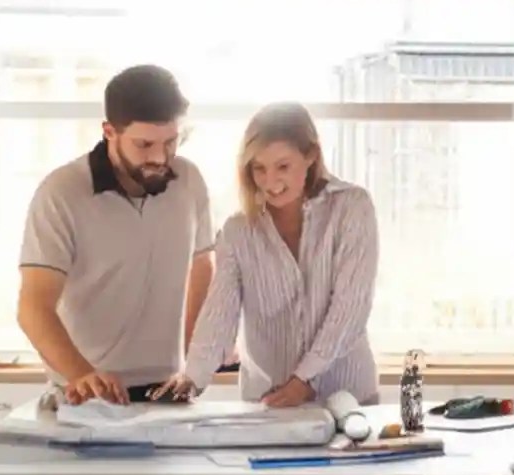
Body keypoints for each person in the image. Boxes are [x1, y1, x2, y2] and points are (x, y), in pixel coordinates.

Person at [153, 102, 380, 407]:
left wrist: (304, 379)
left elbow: (350, 308)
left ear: (311, 156)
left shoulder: (352, 207)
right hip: (268, 403)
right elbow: (219, 314)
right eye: (259, 168)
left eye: (283, 166)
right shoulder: (238, 231)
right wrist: (191, 379)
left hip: (347, 398)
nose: (270, 182)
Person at [16, 65, 215, 405]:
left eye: (171, 142)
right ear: (109, 131)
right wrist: (82, 375)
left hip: (167, 392)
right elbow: (33, 307)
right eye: (144, 144)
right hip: (85, 394)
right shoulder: (62, 192)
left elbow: (203, 267)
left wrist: (193, 363)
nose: (159, 157)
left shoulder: (189, 180)